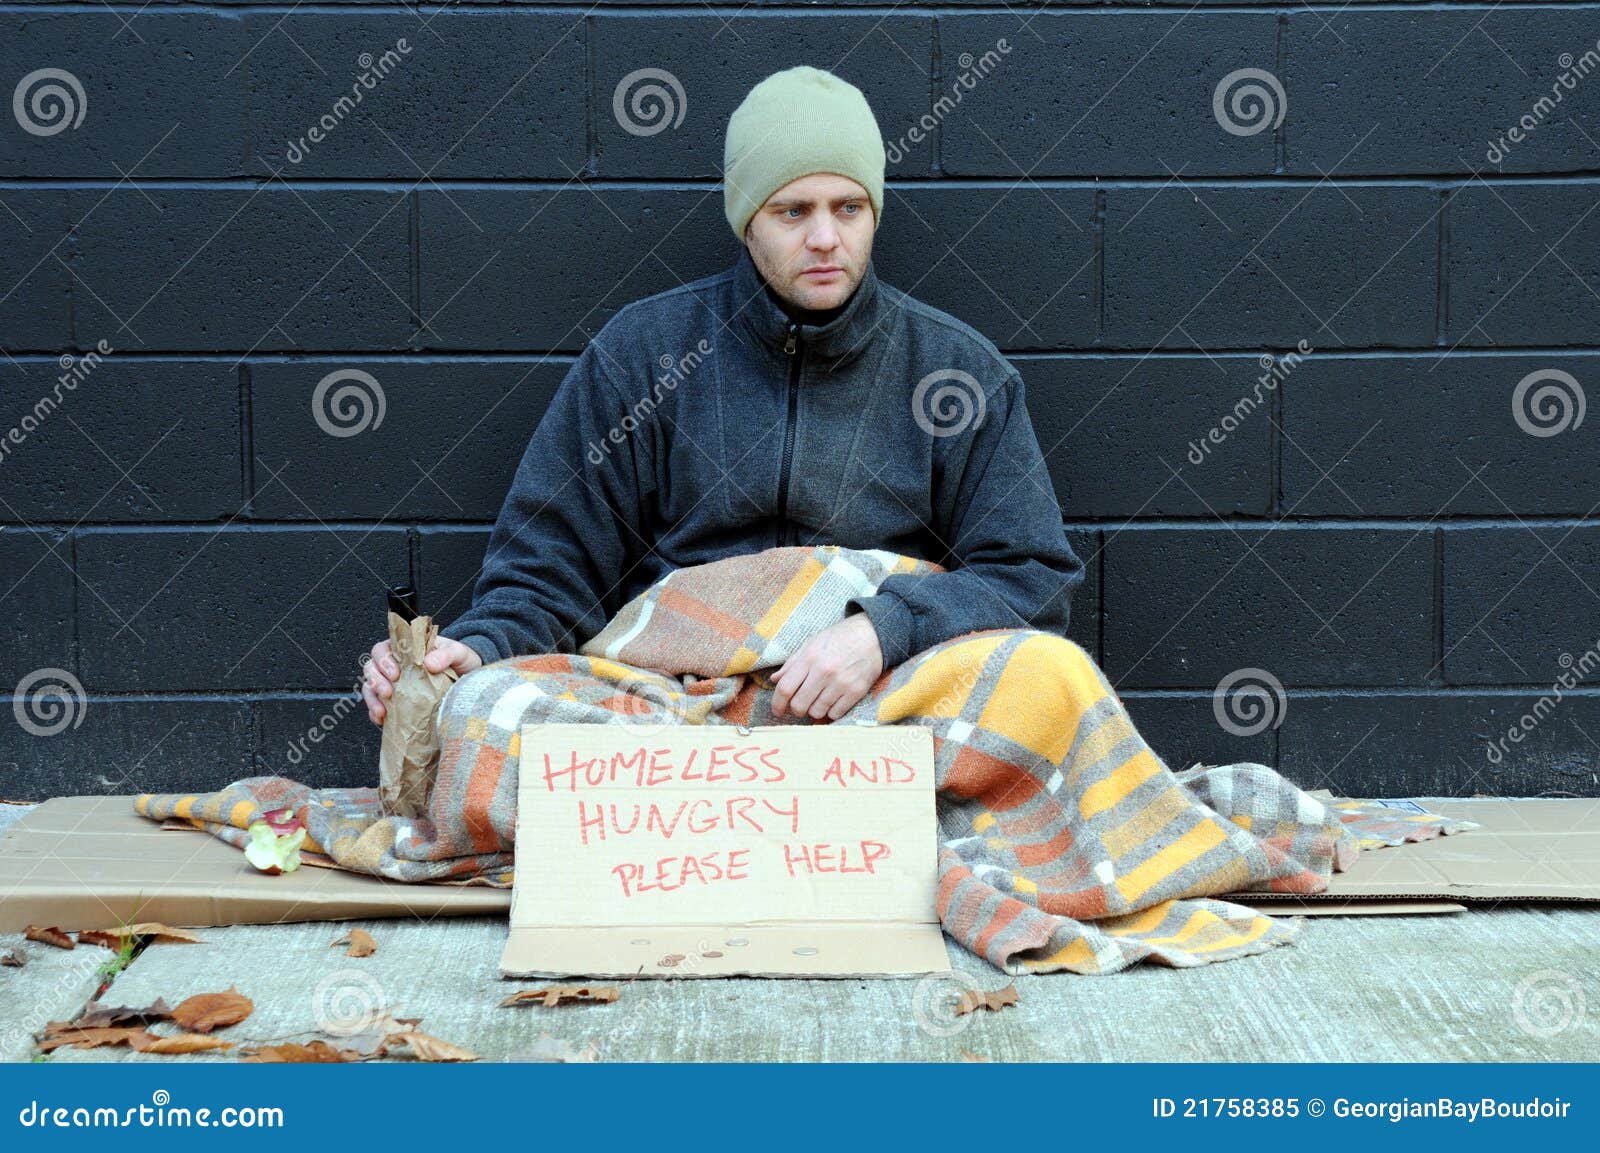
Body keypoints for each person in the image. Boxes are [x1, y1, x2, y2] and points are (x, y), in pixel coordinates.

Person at [361, 64, 1084, 728]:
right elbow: (547, 569)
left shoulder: (956, 371)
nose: (825, 237)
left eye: (849, 207)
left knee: (1054, 677)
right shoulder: (642, 353)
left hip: (880, 701)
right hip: (669, 702)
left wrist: (880, 631)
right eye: (793, 211)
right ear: (747, 221)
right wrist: (479, 650)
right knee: (478, 709)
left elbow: (1033, 577)